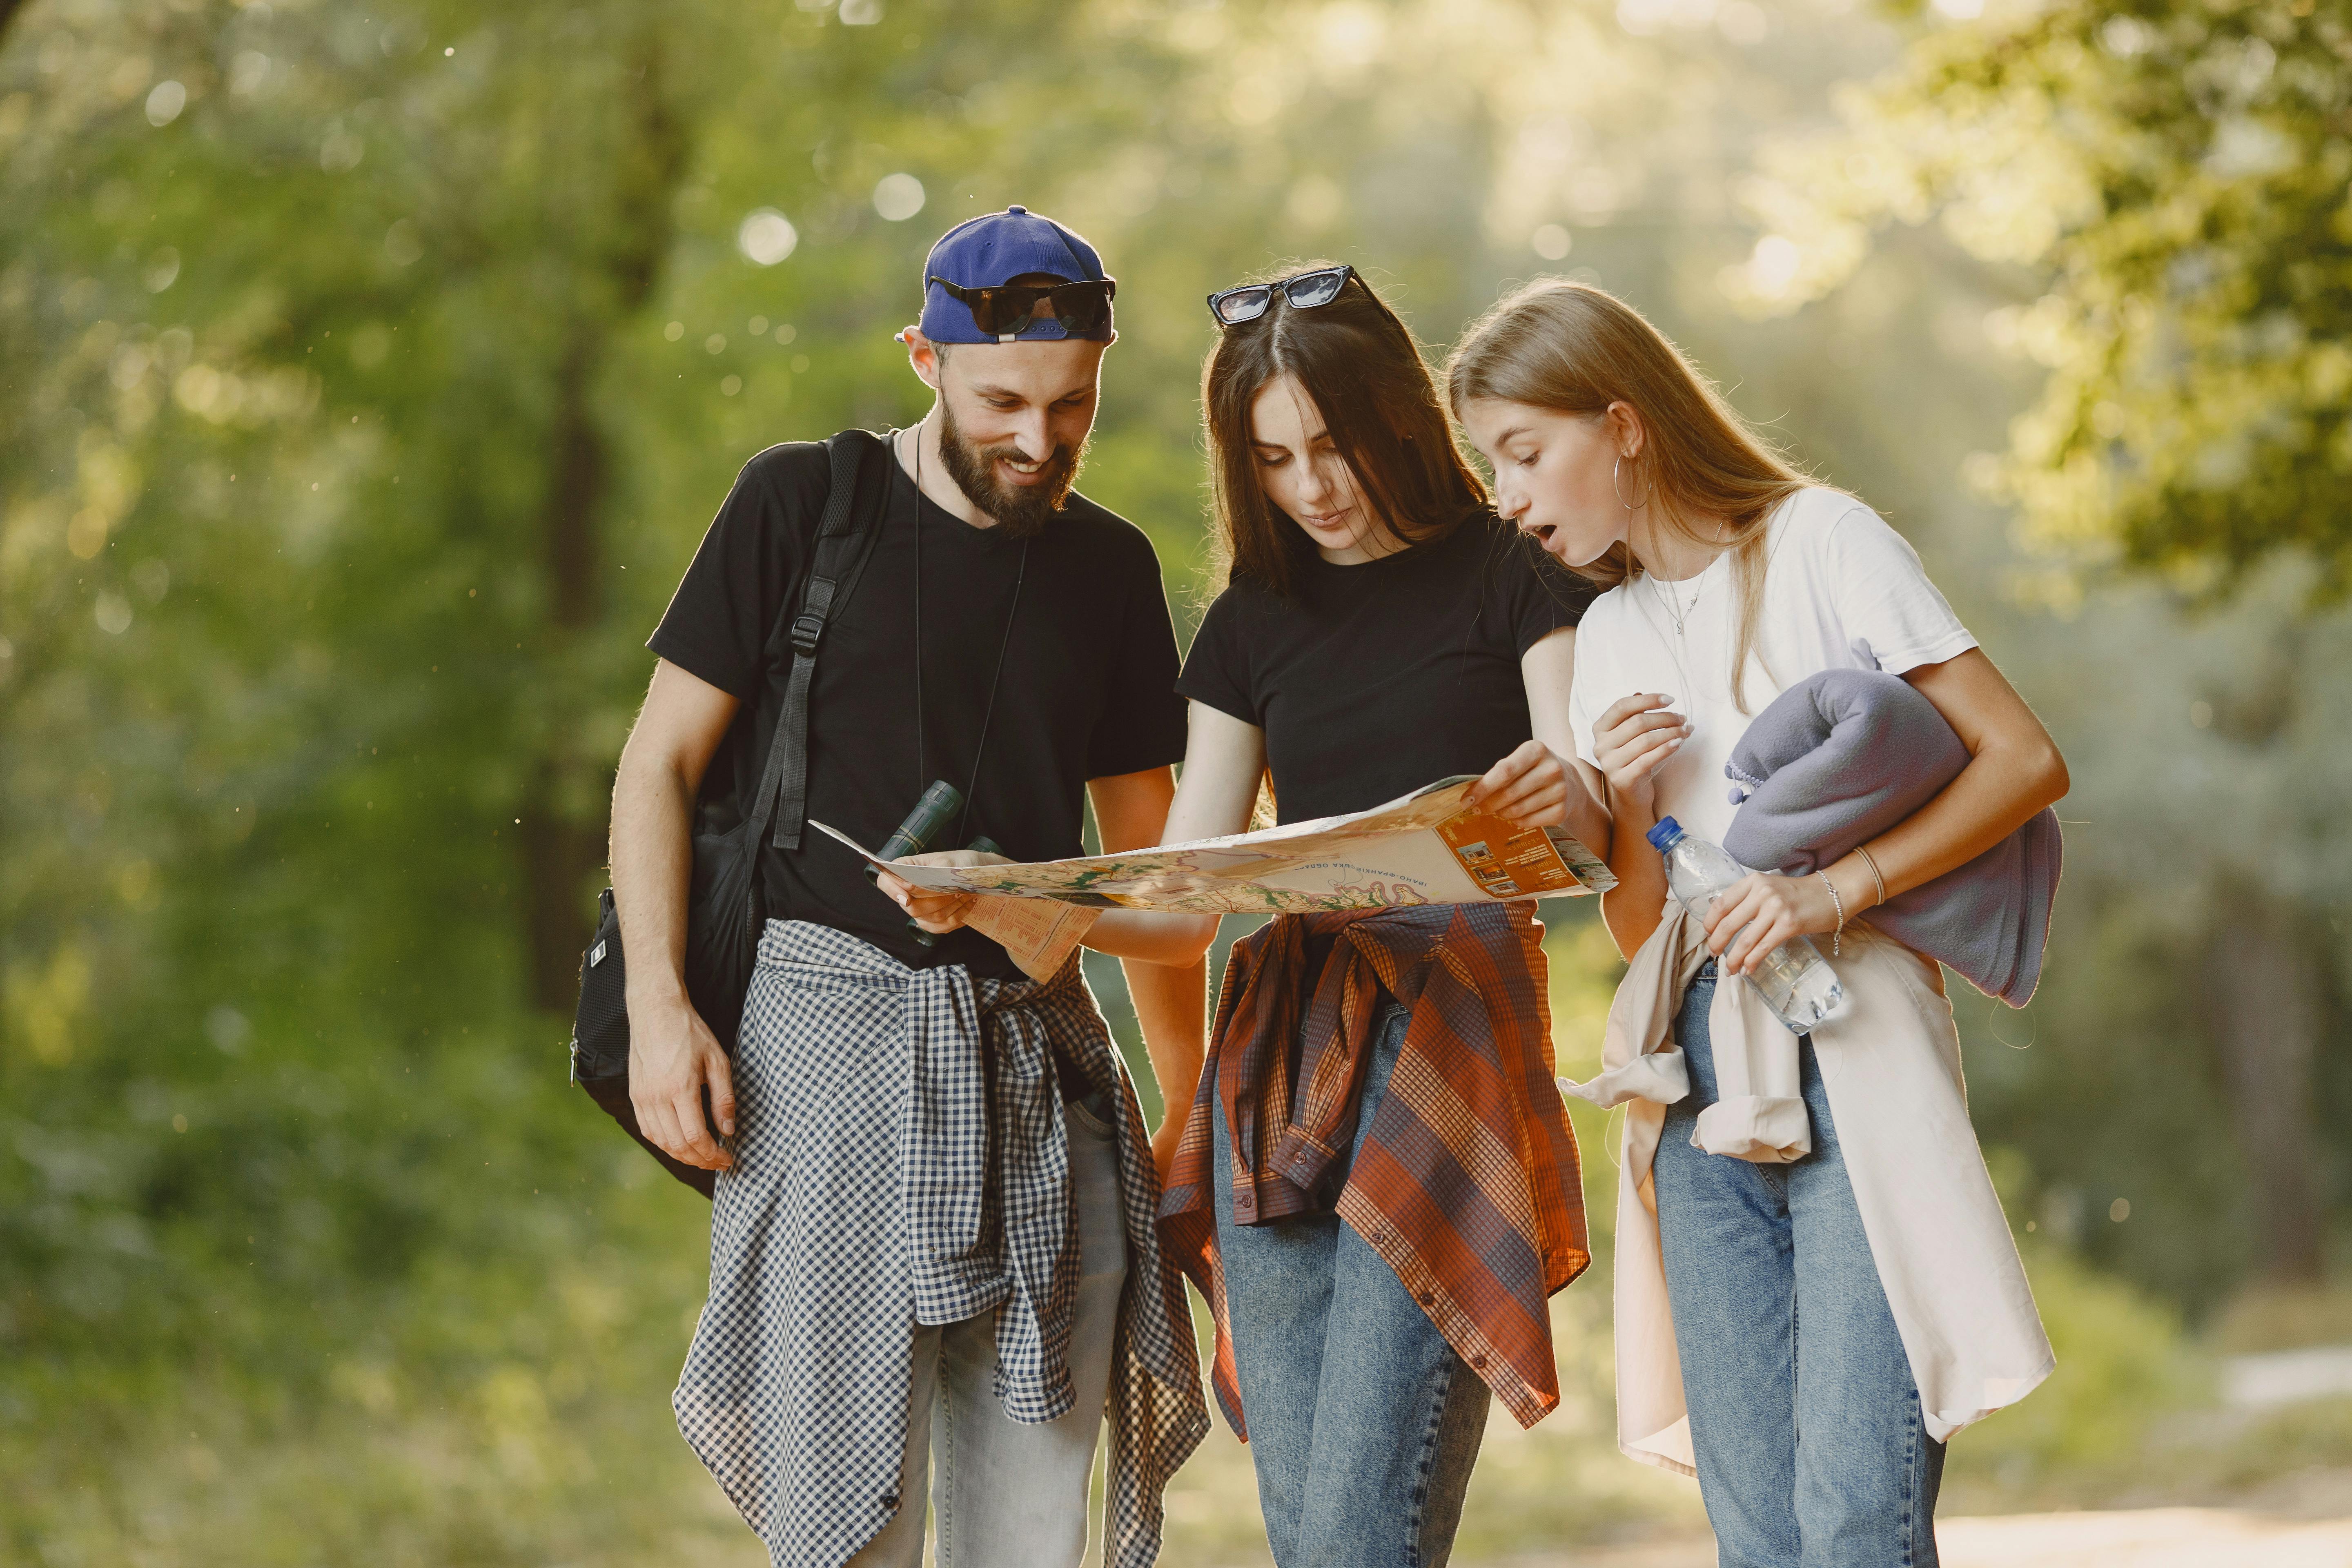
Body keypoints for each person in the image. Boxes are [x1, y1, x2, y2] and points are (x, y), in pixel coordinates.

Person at [910, 261, 1604, 1568]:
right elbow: (1182, 906)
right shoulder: (1248, 626)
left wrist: (1562, 798)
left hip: (1449, 1033)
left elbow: (1581, 827)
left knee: (1357, 1536)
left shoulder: (1516, 574)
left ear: (1402, 421)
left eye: (1335, 447)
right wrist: (1027, 908)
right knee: (1306, 1532)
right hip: (1274, 1062)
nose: (1314, 489)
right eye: (1274, 459)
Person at [605, 205, 1207, 1568]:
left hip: (1038, 1077)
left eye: (1073, 405)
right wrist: (659, 1008)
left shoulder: (1112, 570)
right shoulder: (801, 505)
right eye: (1004, 401)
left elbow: (1150, 877)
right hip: (821, 1074)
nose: (1037, 441)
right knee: (845, 1526)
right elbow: (658, 769)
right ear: (923, 361)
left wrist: (1189, 1119)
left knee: (1031, 1539)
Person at [1448, 278, 2066, 1567]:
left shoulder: (1825, 541)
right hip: (1692, 1067)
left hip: (1858, 1042)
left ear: (1620, 422)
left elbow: (2020, 759)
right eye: (1490, 466)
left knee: (1854, 1515)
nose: (1506, 498)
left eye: (1522, 453)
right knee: (1759, 1530)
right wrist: (1613, 792)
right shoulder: (1608, 633)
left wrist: (1836, 888)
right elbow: (1636, 928)